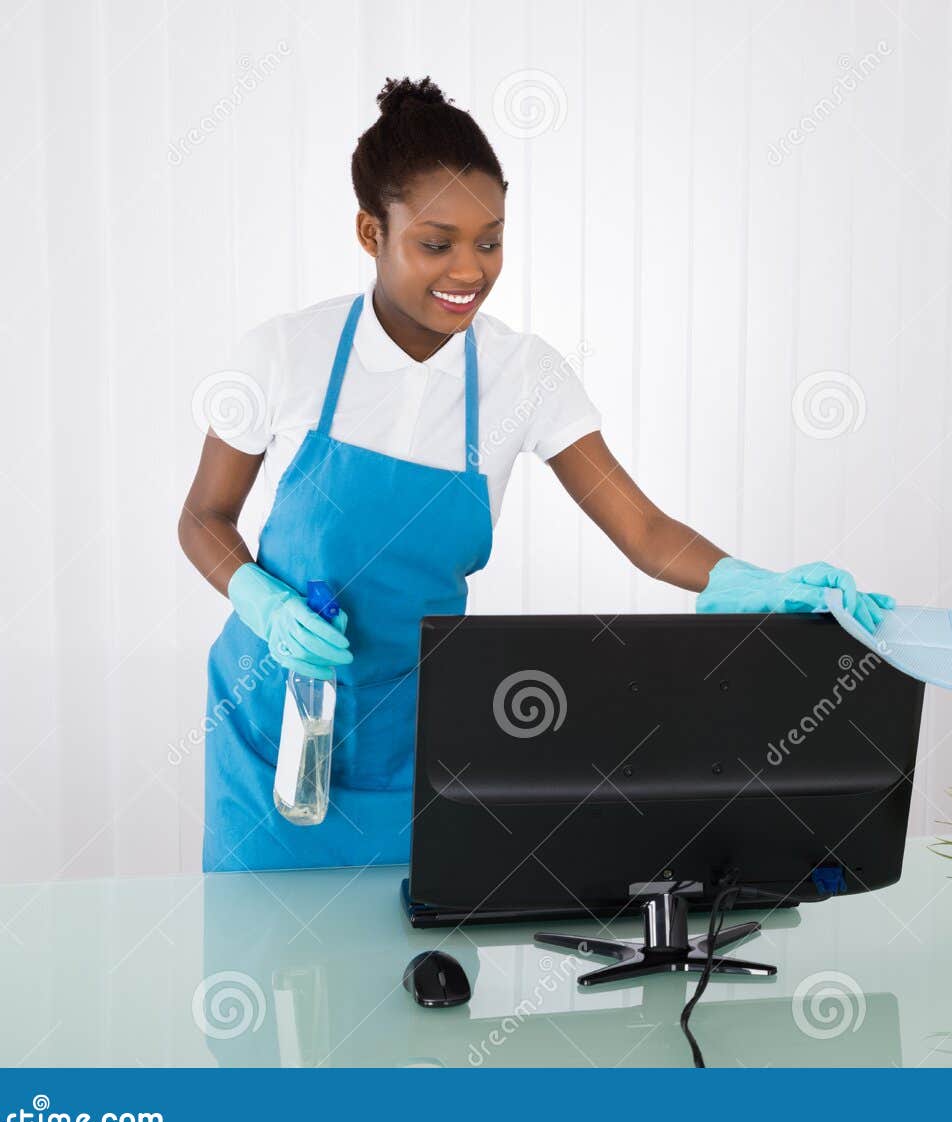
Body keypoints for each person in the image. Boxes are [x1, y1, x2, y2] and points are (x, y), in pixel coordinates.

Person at [178, 76, 893, 873]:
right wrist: (260, 599)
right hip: (272, 732)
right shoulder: (286, 353)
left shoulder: (524, 376)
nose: (470, 271)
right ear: (369, 231)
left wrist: (755, 581)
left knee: (418, 977)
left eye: (490, 240)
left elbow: (644, 529)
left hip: (420, 742)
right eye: (436, 242)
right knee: (264, 964)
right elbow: (204, 515)